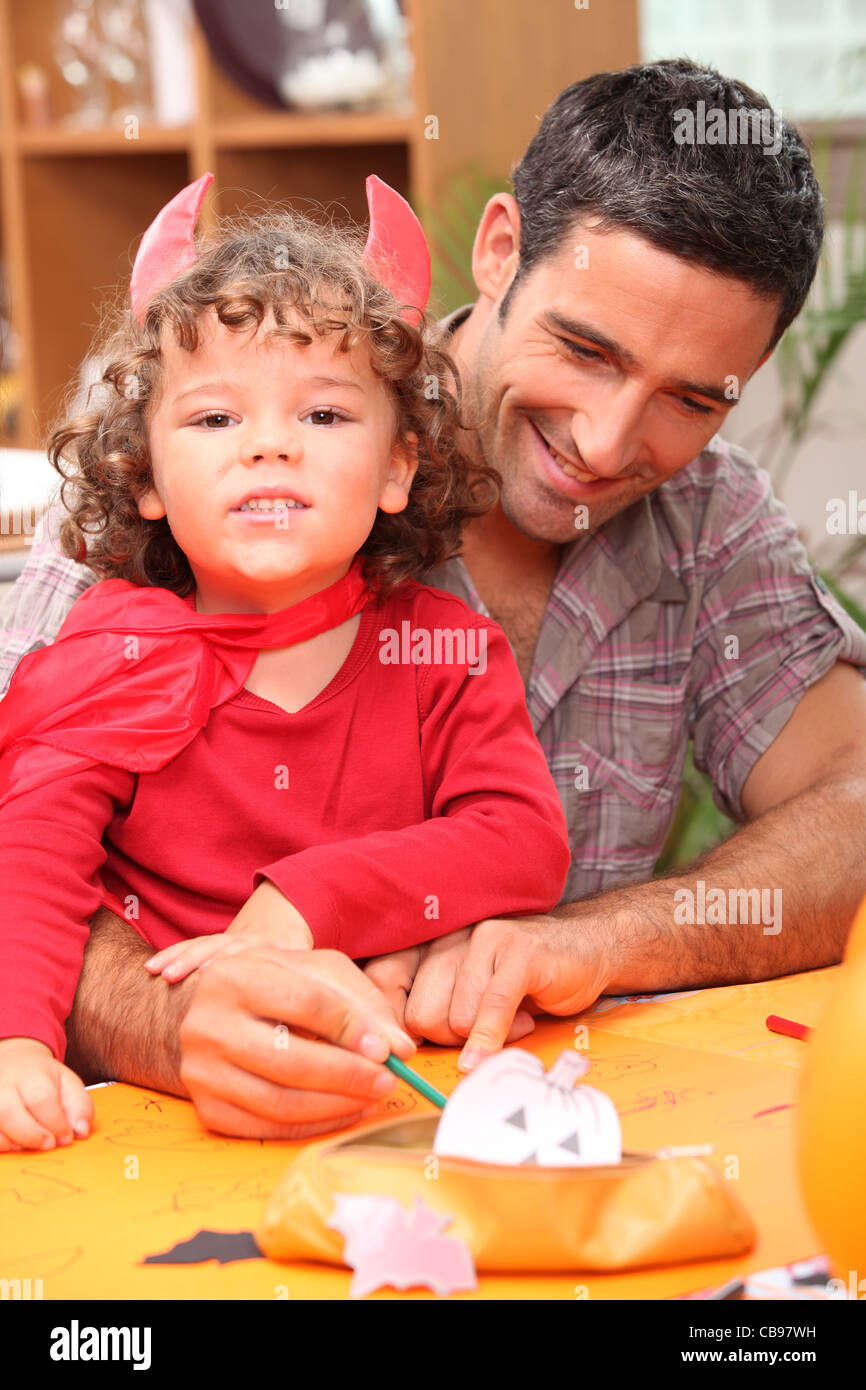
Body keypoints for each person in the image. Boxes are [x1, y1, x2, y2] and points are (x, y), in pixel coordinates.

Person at [3, 59, 866, 1140]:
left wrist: (595, 938)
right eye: (584, 348)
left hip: (508, 1129)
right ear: (498, 248)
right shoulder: (203, 447)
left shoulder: (706, 522)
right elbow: (20, 841)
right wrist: (170, 1021)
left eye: (691, 398)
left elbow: (854, 806)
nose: (602, 444)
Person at [0, 175, 570, 1151]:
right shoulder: (113, 658)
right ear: (143, 476)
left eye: (323, 417)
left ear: (397, 467)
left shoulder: (442, 650)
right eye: (216, 420)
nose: (269, 447)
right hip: (168, 1116)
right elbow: (31, 865)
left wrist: (302, 898)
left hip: (383, 1092)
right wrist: (15, 1040)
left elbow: (522, 839)